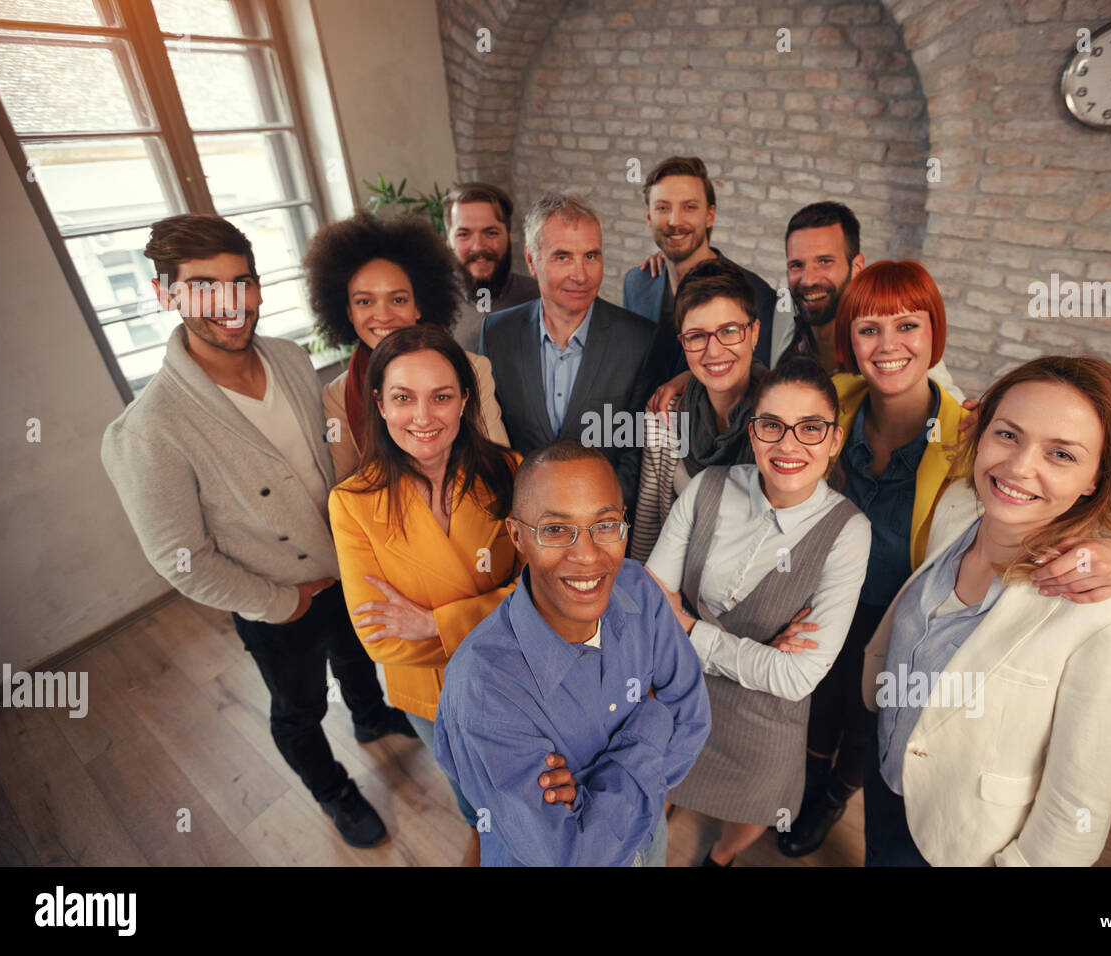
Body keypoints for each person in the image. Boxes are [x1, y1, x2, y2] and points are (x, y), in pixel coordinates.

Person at [781, 260, 1111, 858]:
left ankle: (830, 801)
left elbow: (1050, 517)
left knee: (868, 723)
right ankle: (814, 791)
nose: (888, 345)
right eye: (868, 328)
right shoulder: (833, 403)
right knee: (832, 711)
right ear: (849, 341)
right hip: (837, 605)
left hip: (897, 607)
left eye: (907, 326)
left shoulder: (968, 434)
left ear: (935, 335)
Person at [102, 214, 413, 850]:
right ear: (166, 296)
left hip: (345, 569)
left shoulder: (292, 358)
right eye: (204, 287)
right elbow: (180, 559)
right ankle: (334, 791)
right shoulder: (148, 429)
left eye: (241, 281)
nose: (231, 303)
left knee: (357, 656)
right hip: (276, 600)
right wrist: (284, 601)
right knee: (298, 708)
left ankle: (372, 716)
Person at [860, 354, 1111, 866]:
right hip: (890, 775)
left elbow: (1077, 809)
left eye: (1062, 455)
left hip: (963, 840)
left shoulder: (1110, 623)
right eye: (1008, 434)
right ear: (981, 434)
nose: (1020, 467)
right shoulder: (958, 506)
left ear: (1096, 477)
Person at [433, 441, 712, 866]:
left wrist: (593, 798)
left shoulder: (637, 586)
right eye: (557, 530)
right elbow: (571, 857)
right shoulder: (483, 686)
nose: (587, 556)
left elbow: (694, 718)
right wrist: (653, 719)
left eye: (605, 525)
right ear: (517, 535)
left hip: (649, 837)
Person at [645, 358, 871, 867]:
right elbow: (652, 605)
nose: (789, 445)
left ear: (834, 440)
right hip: (679, 692)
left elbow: (796, 679)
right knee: (659, 778)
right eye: (772, 425)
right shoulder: (707, 486)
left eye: (811, 428)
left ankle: (720, 857)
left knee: (754, 805)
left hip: (765, 722)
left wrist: (691, 631)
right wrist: (763, 654)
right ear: (753, 433)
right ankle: (655, 828)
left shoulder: (849, 530)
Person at [328, 324, 520, 867]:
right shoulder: (352, 504)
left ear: (465, 399)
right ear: (380, 406)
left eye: (441, 396)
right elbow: (379, 639)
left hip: (519, 681)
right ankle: (483, 835)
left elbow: (545, 596)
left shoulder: (511, 471)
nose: (423, 416)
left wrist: (435, 623)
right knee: (470, 788)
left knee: (526, 782)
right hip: (434, 699)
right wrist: (498, 612)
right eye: (403, 398)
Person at [644, 201, 961, 415]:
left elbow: (946, 400)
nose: (808, 280)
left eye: (825, 261)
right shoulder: (782, 318)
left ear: (858, 266)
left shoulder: (888, 341)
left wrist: (975, 419)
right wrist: (693, 376)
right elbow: (727, 326)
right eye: (797, 265)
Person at [478, 192, 657, 509]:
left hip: (600, 532)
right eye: (563, 257)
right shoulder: (496, 334)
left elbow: (635, 452)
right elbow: (489, 438)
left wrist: (601, 522)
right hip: (518, 523)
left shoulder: (639, 340)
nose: (581, 275)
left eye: (591, 256)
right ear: (532, 261)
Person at [305, 212, 508, 481]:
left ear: (418, 305)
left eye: (398, 300)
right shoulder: (338, 395)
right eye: (365, 302)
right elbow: (348, 484)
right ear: (348, 312)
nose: (383, 315)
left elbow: (499, 466)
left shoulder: (472, 369)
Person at [629, 258, 767, 562]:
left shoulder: (780, 423)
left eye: (729, 330)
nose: (714, 351)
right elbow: (649, 528)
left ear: (754, 333)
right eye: (697, 336)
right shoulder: (664, 416)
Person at [623, 155, 777, 382]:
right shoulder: (636, 283)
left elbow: (755, 381)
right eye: (663, 207)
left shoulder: (755, 292)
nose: (675, 221)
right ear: (649, 216)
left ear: (710, 215)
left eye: (690, 207)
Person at [443, 182, 539, 352]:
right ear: (448, 242)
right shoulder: (428, 303)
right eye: (464, 234)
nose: (478, 246)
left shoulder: (541, 299)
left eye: (491, 233)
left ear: (509, 237)